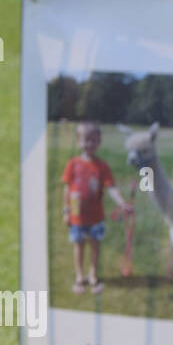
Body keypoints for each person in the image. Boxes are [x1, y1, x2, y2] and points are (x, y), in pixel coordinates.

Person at [60, 122, 132, 294]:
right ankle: (79, 276)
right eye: (85, 140)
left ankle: (93, 274)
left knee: (95, 245)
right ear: (78, 141)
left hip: (96, 217)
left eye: (93, 141)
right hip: (77, 217)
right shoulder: (73, 164)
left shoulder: (102, 166)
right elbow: (67, 189)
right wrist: (66, 211)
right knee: (78, 245)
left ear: (99, 143)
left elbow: (111, 188)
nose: (89, 144)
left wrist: (122, 203)